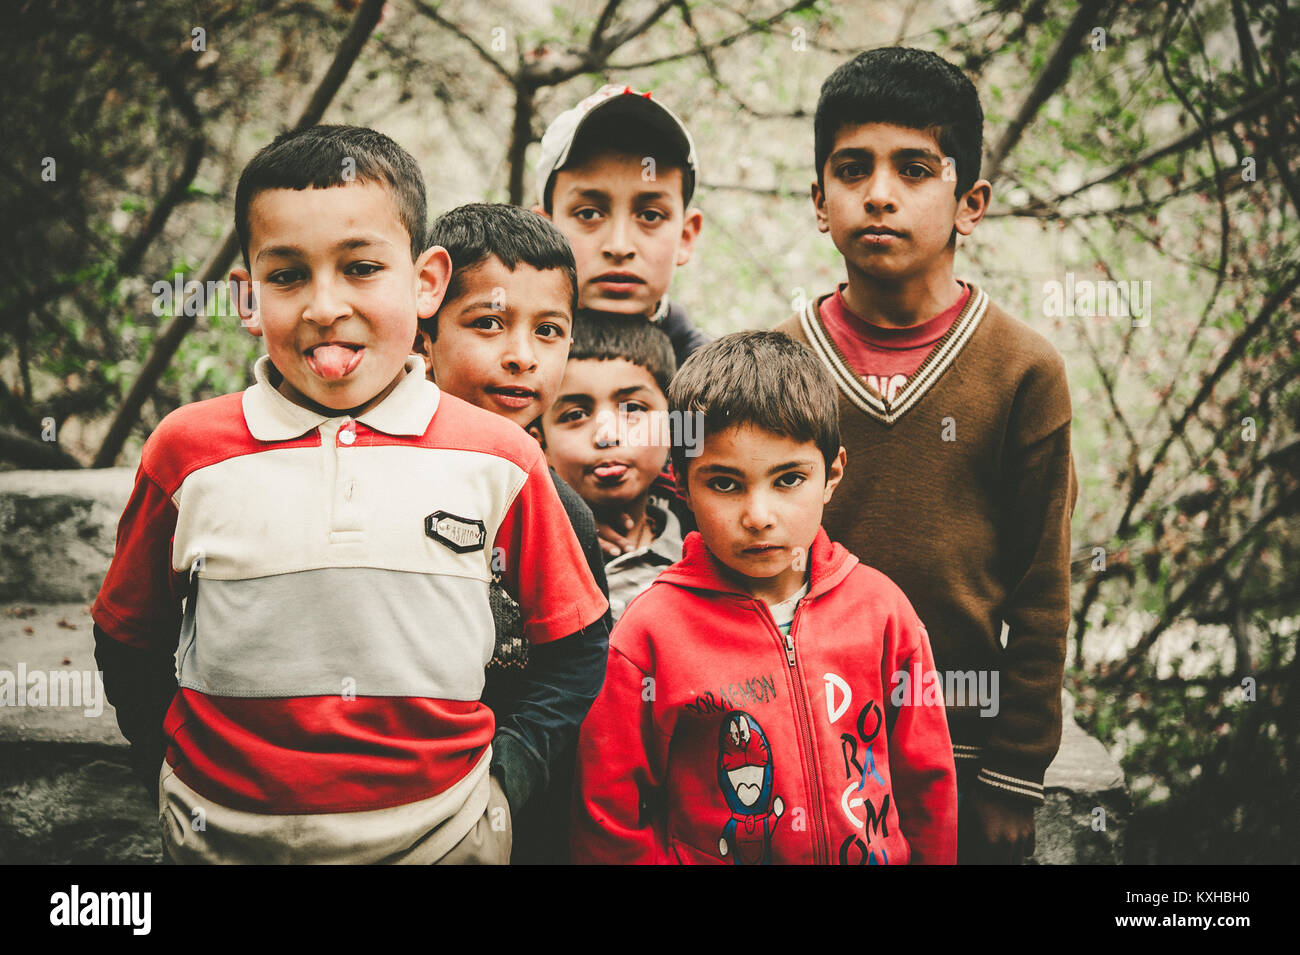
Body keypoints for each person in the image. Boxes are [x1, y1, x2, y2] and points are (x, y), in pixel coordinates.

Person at [91, 125, 608, 864]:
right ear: (247, 295)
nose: (325, 305)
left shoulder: (499, 457)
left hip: (443, 839)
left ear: (426, 282)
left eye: (362, 267)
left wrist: (504, 782)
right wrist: (168, 773)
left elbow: (578, 645)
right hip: (218, 842)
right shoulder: (187, 453)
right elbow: (127, 636)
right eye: (288, 275)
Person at [772, 47, 1078, 863]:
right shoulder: (778, 364)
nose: (878, 194)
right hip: (802, 737)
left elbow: (1042, 590)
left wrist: (1016, 771)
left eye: (914, 168)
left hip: (962, 753)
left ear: (969, 202)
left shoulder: (1023, 371)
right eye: (852, 169)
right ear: (819, 200)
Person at [571, 331, 957, 865]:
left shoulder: (882, 611)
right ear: (681, 484)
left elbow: (927, 782)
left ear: (832, 474)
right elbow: (610, 809)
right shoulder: (651, 634)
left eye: (789, 479)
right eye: (725, 484)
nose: (758, 516)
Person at [414, 201, 610, 863]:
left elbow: (576, 665)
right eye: (489, 323)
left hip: (511, 825)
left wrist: (505, 777)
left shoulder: (560, 511)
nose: (522, 356)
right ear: (424, 335)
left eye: (549, 331)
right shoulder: (378, 479)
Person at [534, 84, 710, 368]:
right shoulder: (499, 381)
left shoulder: (722, 396)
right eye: (589, 214)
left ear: (686, 236)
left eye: (650, 216)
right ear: (544, 234)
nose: (619, 247)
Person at [539, 313, 684, 622]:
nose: (606, 436)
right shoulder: (527, 560)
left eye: (633, 408)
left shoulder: (709, 555)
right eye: (575, 414)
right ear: (540, 444)